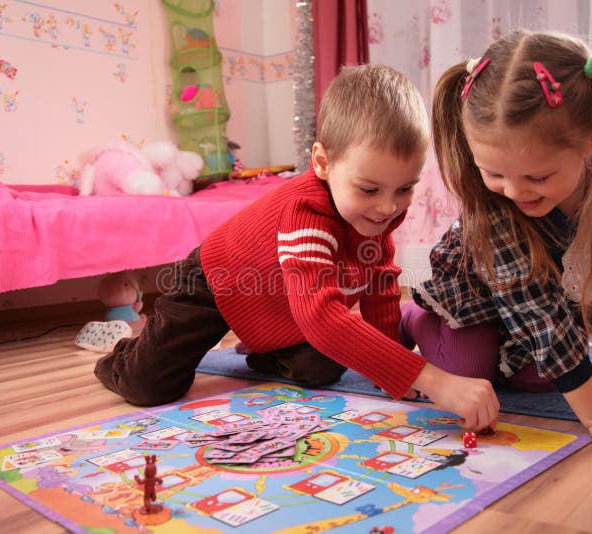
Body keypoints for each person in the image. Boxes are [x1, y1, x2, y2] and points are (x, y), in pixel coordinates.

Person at [94, 64, 500, 431]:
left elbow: (379, 288)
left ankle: (262, 351)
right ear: (322, 163)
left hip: (279, 306)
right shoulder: (307, 209)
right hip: (214, 284)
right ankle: (124, 354)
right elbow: (322, 318)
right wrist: (428, 377)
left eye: (405, 189)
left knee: (325, 366)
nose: (387, 207)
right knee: (149, 385)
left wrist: (392, 369)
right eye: (369, 188)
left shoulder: (378, 212)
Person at [402, 29, 592, 460]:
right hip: (472, 303)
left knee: (545, 377)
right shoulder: (494, 210)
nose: (513, 191)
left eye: (537, 177)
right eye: (494, 173)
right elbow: (538, 316)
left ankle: (506, 355)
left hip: (538, 308)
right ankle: (415, 318)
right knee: (469, 373)